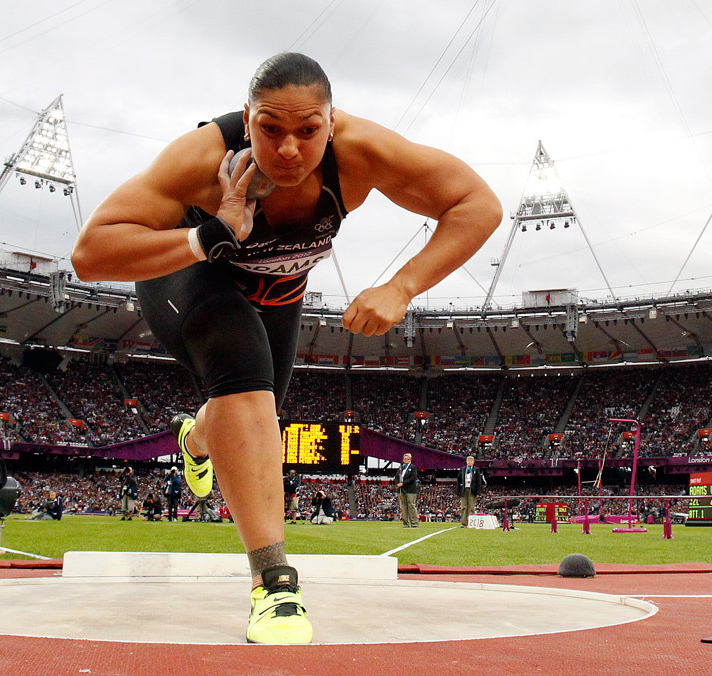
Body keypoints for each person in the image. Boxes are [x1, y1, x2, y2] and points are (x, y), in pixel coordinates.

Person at [72, 52, 502, 644]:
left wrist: (403, 286)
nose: (291, 149)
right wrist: (209, 235)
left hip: (279, 297)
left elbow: (477, 204)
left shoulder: (362, 153)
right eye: (271, 129)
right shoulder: (200, 159)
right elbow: (91, 254)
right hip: (193, 279)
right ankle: (274, 585)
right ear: (247, 120)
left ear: (332, 122)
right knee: (244, 382)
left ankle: (196, 440)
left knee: (253, 411)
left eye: (308, 131)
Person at [456, 455, 485, 527]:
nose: (469, 462)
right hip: (464, 489)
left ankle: (471, 522)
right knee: (463, 506)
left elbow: (479, 481)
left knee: (471, 507)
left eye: (471, 461)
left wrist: (478, 492)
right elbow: (459, 480)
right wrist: (457, 491)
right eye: (468, 461)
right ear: (466, 461)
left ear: (473, 462)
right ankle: (464, 522)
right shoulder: (462, 469)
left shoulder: (476, 469)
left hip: (472, 490)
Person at [396, 452, 419, 528]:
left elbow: (413, 478)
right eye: (405, 459)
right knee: (403, 507)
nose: (406, 460)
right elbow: (396, 477)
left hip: (410, 490)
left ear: (410, 460)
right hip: (402, 490)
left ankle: (414, 523)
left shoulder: (413, 467)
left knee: (411, 506)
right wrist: (397, 483)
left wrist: (403, 483)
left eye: (407, 459)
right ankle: (405, 523)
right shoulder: (401, 467)